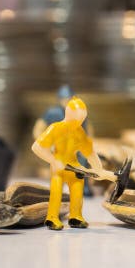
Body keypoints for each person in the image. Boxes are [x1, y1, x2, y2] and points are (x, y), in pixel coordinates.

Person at [32, 96, 105, 230]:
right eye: (77, 118)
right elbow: (37, 147)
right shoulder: (55, 128)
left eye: (83, 119)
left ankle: (75, 217)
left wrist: (98, 168)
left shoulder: (79, 132)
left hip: (74, 167)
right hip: (58, 168)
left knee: (78, 190)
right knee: (56, 192)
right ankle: (52, 218)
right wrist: (54, 160)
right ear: (69, 113)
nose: (80, 122)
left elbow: (90, 152)